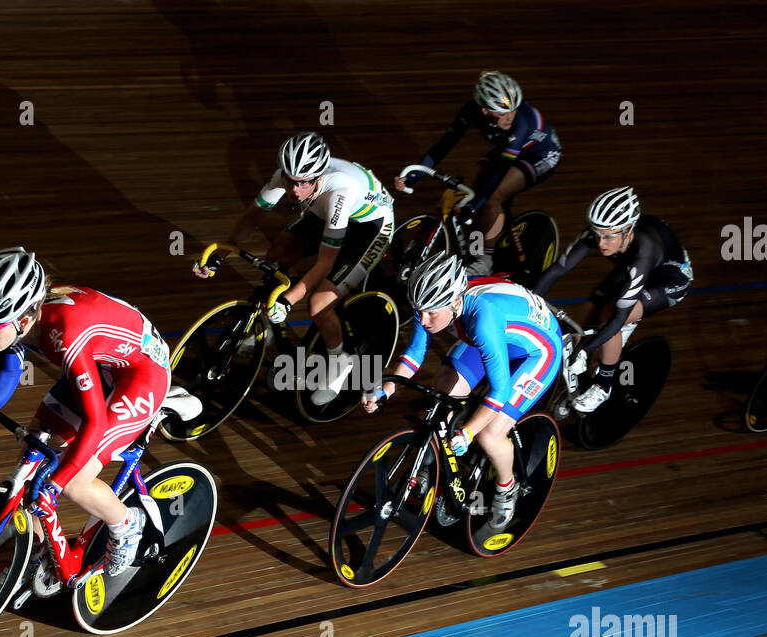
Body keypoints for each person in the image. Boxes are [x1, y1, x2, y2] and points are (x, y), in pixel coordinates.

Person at [0, 247, 172, 592]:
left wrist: (61, 480)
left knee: (74, 482)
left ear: (23, 321)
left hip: (140, 376)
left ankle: (128, 525)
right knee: (32, 461)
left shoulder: (65, 332)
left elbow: (95, 423)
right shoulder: (22, 317)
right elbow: (11, 369)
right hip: (97, 365)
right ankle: (31, 556)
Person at [194, 131, 394, 406]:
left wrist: (288, 301)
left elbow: (325, 262)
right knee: (277, 254)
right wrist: (223, 251)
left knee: (319, 303)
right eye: (290, 182)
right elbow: (254, 214)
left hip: (369, 227)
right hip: (321, 212)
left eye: (302, 184)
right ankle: (267, 326)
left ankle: (340, 361)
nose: (294, 190)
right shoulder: (289, 177)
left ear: (318, 177)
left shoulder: (339, 192)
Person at [363, 253, 563, 527]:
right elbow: (414, 354)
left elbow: (500, 390)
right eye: (419, 311)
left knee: (490, 434)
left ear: (455, 302)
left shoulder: (482, 320)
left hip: (537, 351)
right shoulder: (429, 300)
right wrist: (385, 389)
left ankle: (507, 488)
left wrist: (468, 432)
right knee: (441, 389)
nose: (423, 320)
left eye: (432, 312)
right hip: (495, 336)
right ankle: (431, 461)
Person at [532, 187, 692, 412]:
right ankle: (585, 376)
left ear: (627, 230)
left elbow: (618, 316)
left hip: (669, 280)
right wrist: (528, 298)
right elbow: (558, 269)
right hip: (631, 268)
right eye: (597, 234)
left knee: (609, 317)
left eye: (608, 236)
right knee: (587, 315)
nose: (600, 243)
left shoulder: (646, 250)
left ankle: (603, 386)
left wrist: (587, 350)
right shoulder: (603, 235)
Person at [394, 71, 561, 276]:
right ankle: (474, 249)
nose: (509, 117)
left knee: (492, 197)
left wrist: (475, 205)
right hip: (509, 149)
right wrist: (414, 176)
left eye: (512, 110)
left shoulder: (521, 122)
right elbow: (444, 145)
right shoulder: (470, 111)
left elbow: (501, 171)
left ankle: (485, 260)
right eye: (501, 112)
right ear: (483, 109)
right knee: (469, 193)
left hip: (540, 155)